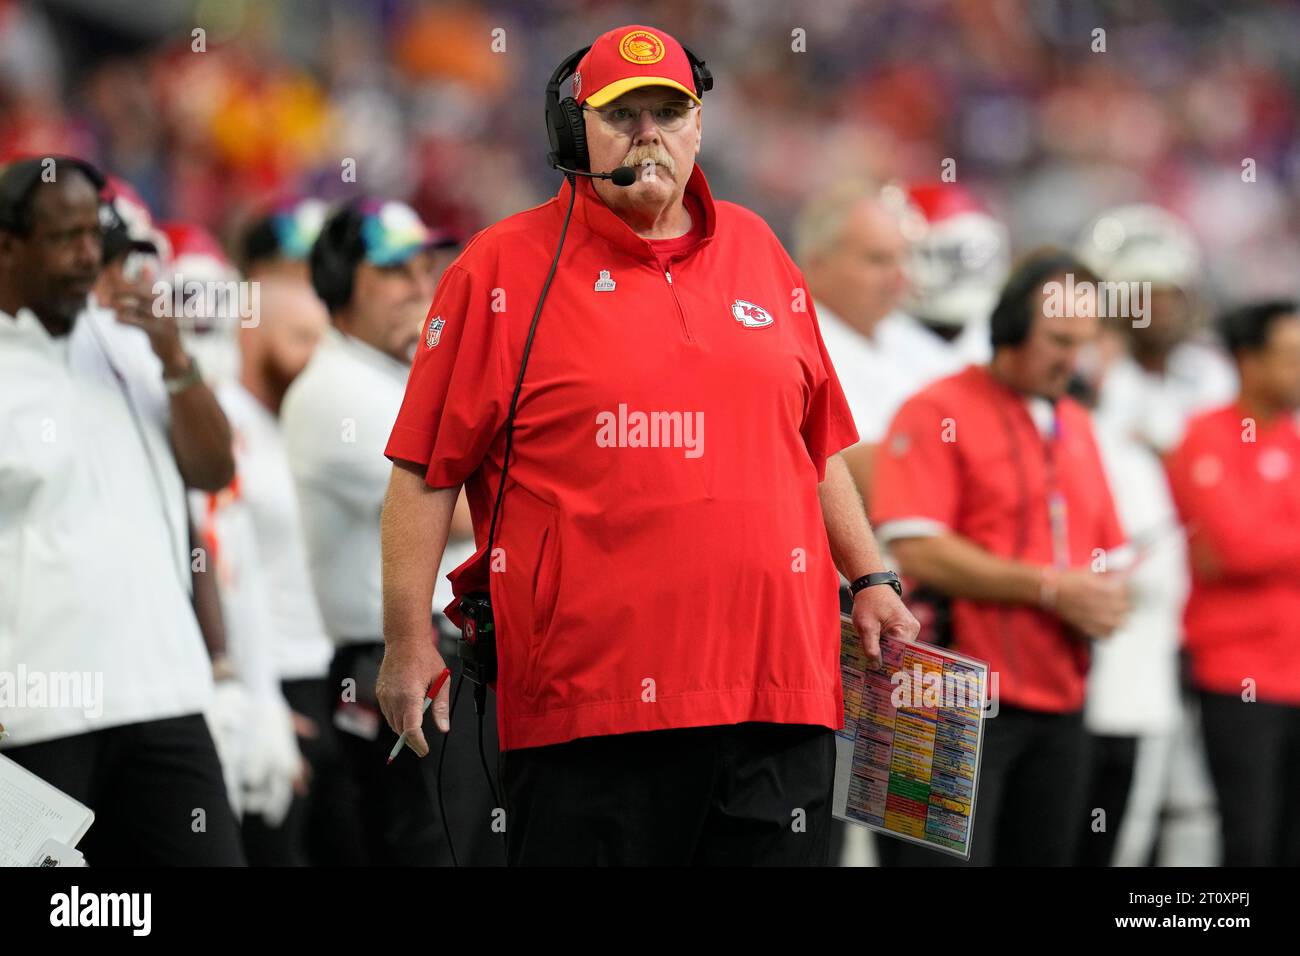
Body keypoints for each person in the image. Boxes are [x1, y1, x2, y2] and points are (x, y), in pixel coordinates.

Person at [378, 24, 918, 867]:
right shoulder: (497, 270)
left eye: (668, 111)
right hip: (591, 707)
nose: (647, 132)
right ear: (574, 132)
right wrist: (407, 638)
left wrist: (871, 576)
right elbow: (423, 472)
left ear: (699, 126)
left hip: (778, 697)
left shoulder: (761, 252)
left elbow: (816, 449)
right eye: (621, 114)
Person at [0, 155, 243, 865]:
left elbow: (214, 468)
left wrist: (175, 361)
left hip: (162, 693)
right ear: (7, 245)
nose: (85, 257)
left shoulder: (130, 345)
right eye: (63, 238)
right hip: (37, 713)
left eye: (92, 236)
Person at [870, 249, 1129, 865]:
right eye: (1060, 339)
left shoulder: (1076, 424)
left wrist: (1103, 595)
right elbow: (918, 548)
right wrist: (1049, 587)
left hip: (1058, 697)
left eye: (1085, 342)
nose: (1074, 359)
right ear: (1010, 327)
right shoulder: (933, 409)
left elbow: (1105, 552)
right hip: (936, 696)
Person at [282, 197, 489, 865]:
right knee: (429, 852)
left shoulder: (381, 376)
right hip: (395, 658)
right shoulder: (337, 388)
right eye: (396, 269)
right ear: (343, 284)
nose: (419, 287)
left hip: (429, 654)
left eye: (426, 268)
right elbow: (459, 511)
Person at [1164, 299, 1300, 866]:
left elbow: (1251, 545)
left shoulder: (1292, 440)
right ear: (1248, 361)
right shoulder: (1205, 436)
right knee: (1248, 839)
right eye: (1290, 357)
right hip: (1237, 672)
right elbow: (1232, 548)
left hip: (1293, 671)